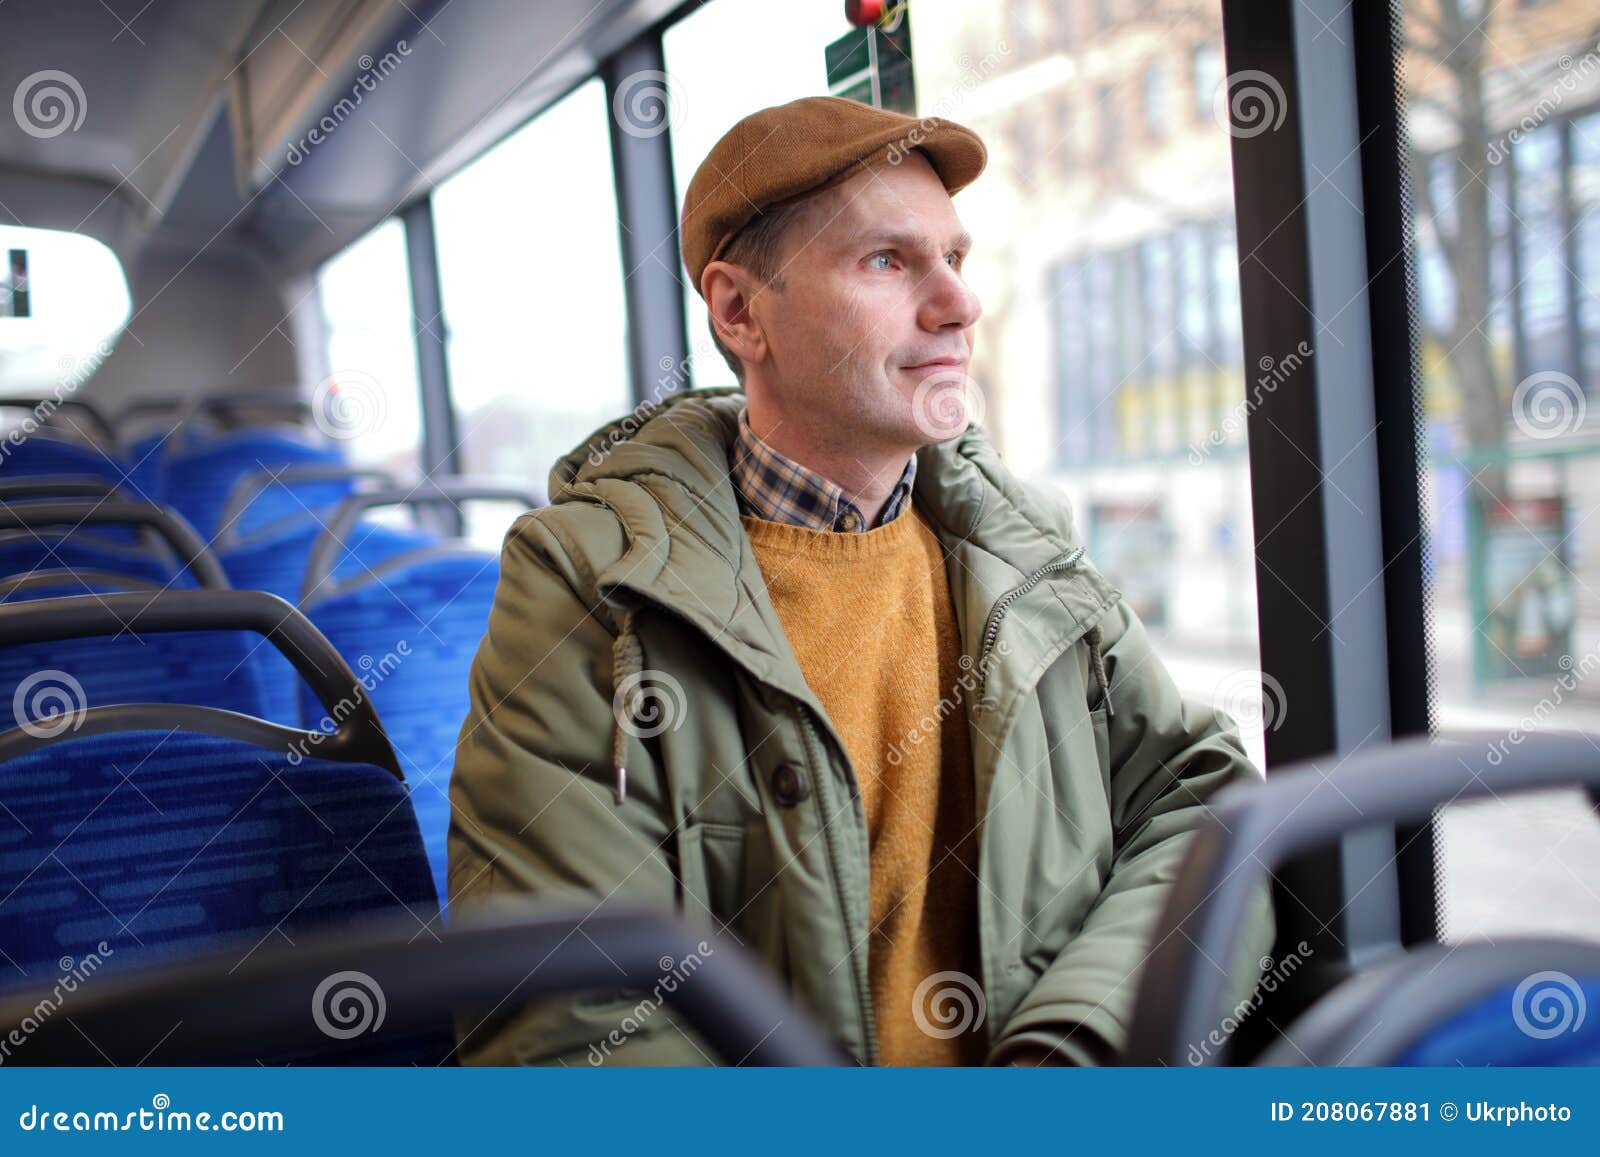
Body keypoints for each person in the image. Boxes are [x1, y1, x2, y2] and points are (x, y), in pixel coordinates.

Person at [448, 95, 1274, 1066]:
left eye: (954, 259)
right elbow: (561, 1014)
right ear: (739, 310)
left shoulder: (1022, 542)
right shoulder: (589, 585)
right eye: (888, 261)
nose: (957, 303)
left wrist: (1073, 1045)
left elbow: (1199, 801)